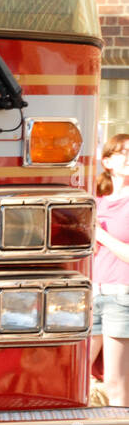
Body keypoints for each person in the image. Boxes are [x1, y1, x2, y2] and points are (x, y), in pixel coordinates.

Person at [91, 133, 129, 407]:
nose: (128, 157)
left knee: (115, 380)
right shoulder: (98, 201)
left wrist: (100, 235)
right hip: (91, 294)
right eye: (123, 152)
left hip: (122, 296)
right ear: (106, 162)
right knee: (78, 371)